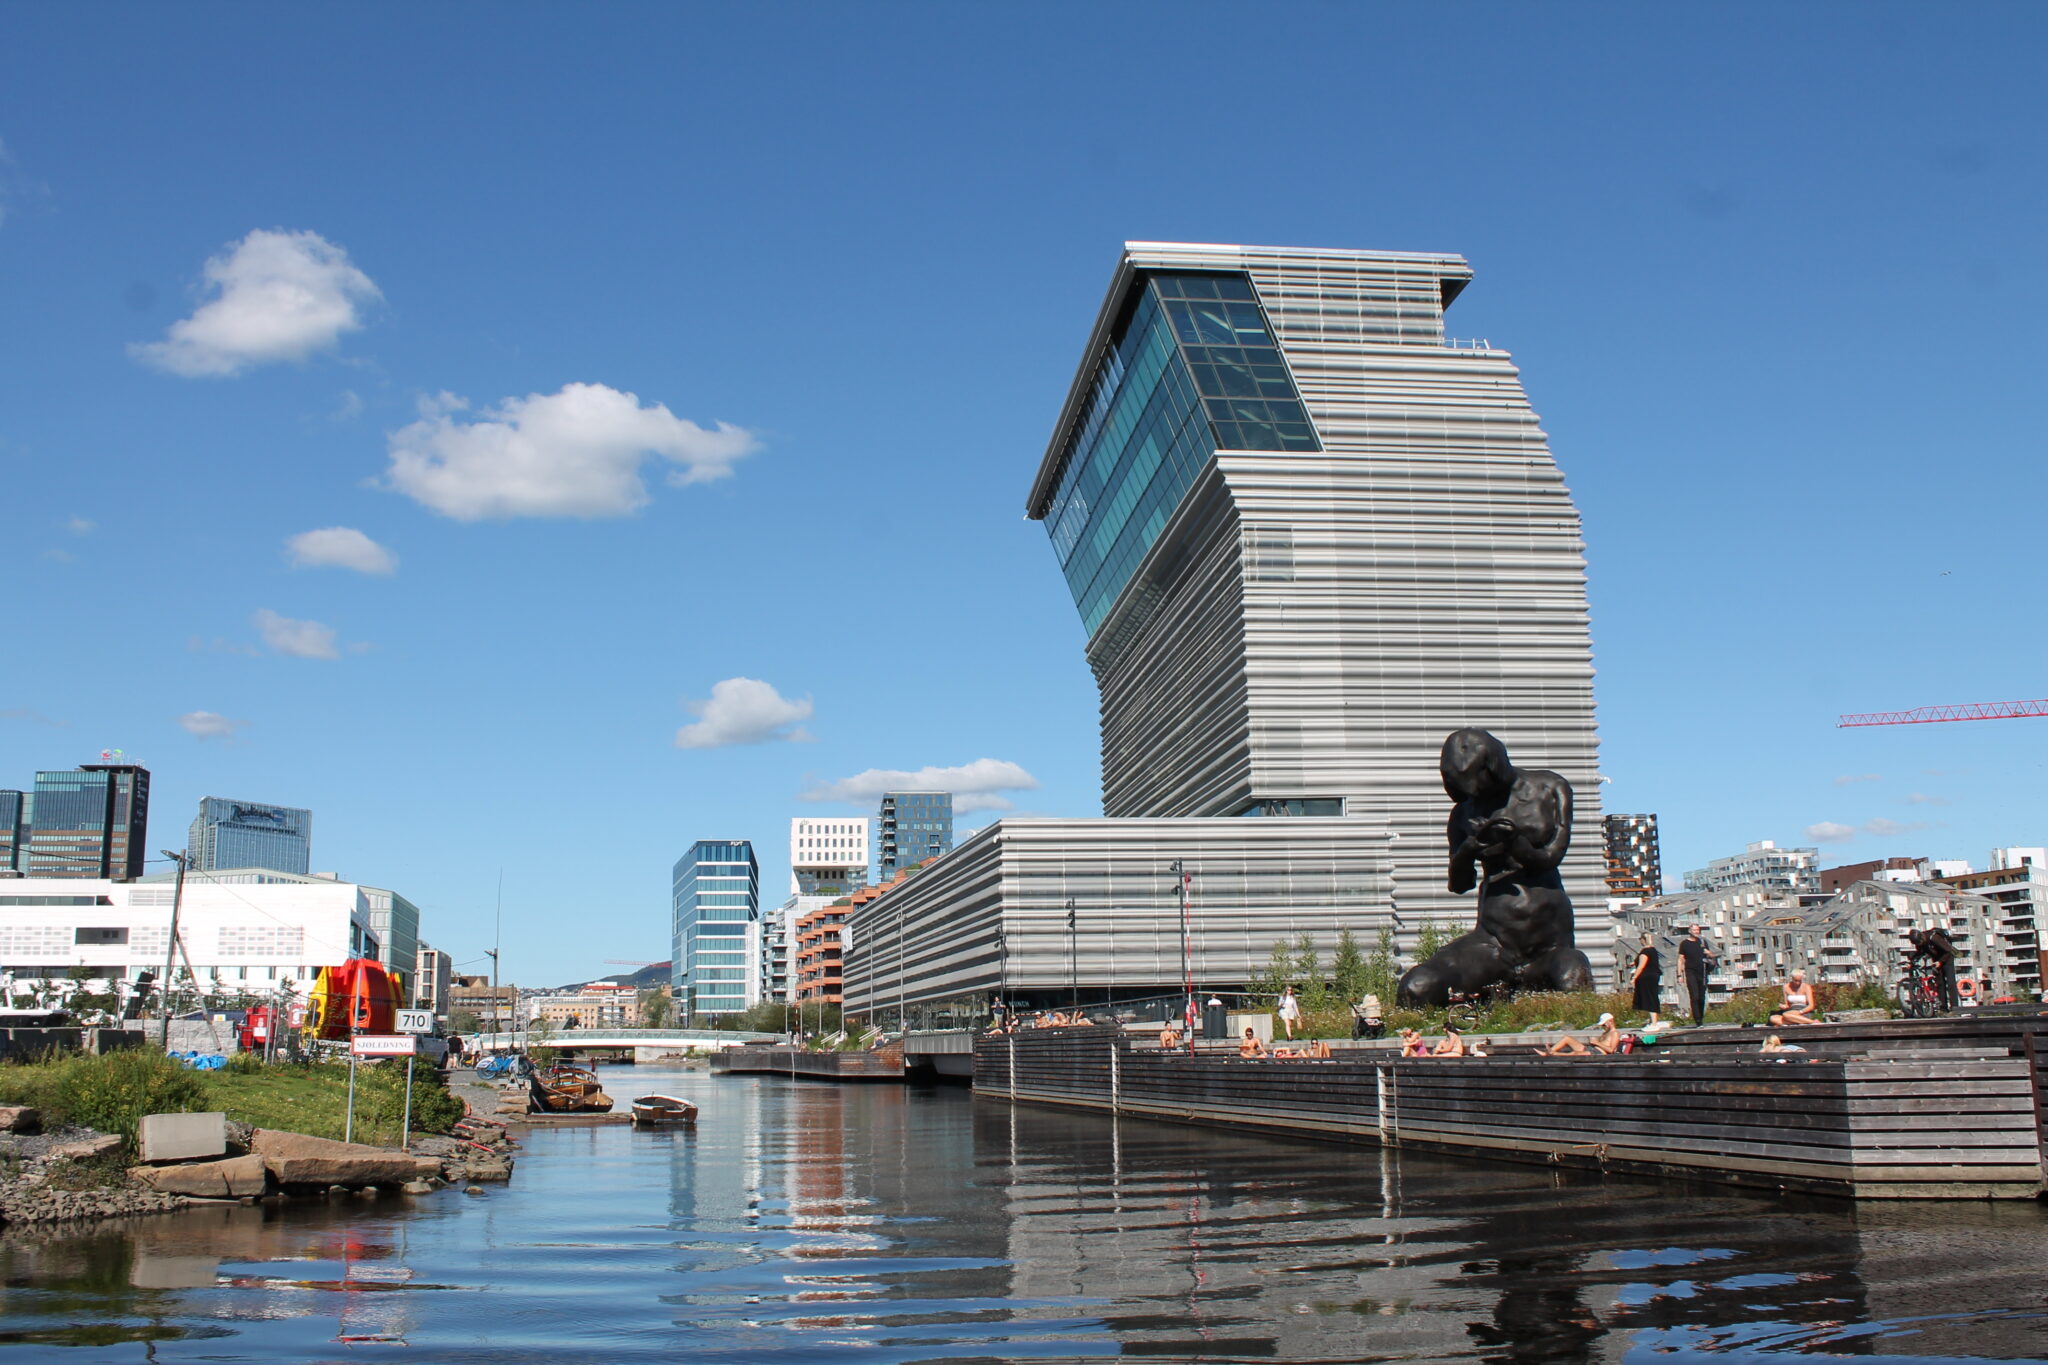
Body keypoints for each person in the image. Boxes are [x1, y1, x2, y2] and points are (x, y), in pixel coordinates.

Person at [1676, 924, 1716, 1025]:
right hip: (1690, 972)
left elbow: (1712, 956)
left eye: (1698, 930)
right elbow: (1680, 959)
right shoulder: (1684, 944)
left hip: (1702, 972)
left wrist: (1709, 953)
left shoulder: (1702, 942)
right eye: (1694, 930)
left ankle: (1701, 1018)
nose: (1696, 932)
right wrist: (1679, 975)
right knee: (1694, 996)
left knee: (1701, 997)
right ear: (1689, 931)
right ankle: (1697, 1020)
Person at [1547, 1013, 1622, 1056]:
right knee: (1567, 1038)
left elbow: (1611, 1050)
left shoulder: (1615, 1033)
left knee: (1575, 1053)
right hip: (1592, 1049)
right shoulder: (1605, 1032)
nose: (1603, 1026)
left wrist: (1597, 1043)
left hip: (1598, 1053)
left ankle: (1554, 1054)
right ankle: (1548, 1052)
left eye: (1604, 1024)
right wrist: (1593, 1042)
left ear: (1610, 1021)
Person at [1630, 933, 1662, 1016]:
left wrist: (1634, 978)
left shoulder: (1645, 951)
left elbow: (1641, 966)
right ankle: (1652, 1022)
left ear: (1643, 940)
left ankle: (1653, 1023)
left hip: (1647, 977)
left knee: (1649, 999)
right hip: (1654, 976)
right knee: (1653, 997)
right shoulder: (1653, 950)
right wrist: (1634, 963)